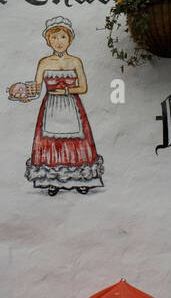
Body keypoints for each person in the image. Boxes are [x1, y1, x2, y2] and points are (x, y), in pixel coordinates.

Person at [13, 17, 104, 196]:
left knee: (77, 141)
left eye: (63, 37)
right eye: (54, 37)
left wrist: (66, 91)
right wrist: (23, 94)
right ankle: (52, 180)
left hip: (72, 105)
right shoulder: (44, 62)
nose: (59, 41)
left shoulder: (75, 61)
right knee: (51, 142)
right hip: (51, 106)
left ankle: (81, 179)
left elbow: (83, 87)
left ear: (70, 39)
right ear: (48, 40)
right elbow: (36, 89)